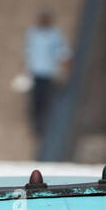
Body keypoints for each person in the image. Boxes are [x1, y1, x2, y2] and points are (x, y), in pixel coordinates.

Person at [24, 10, 71, 138]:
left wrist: (65, 70)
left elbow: (63, 52)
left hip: (48, 73)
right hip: (36, 72)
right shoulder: (33, 33)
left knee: (46, 102)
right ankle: (35, 126)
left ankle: (44, 127)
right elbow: (29, 52)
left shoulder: (55, 34)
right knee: (35, 102)